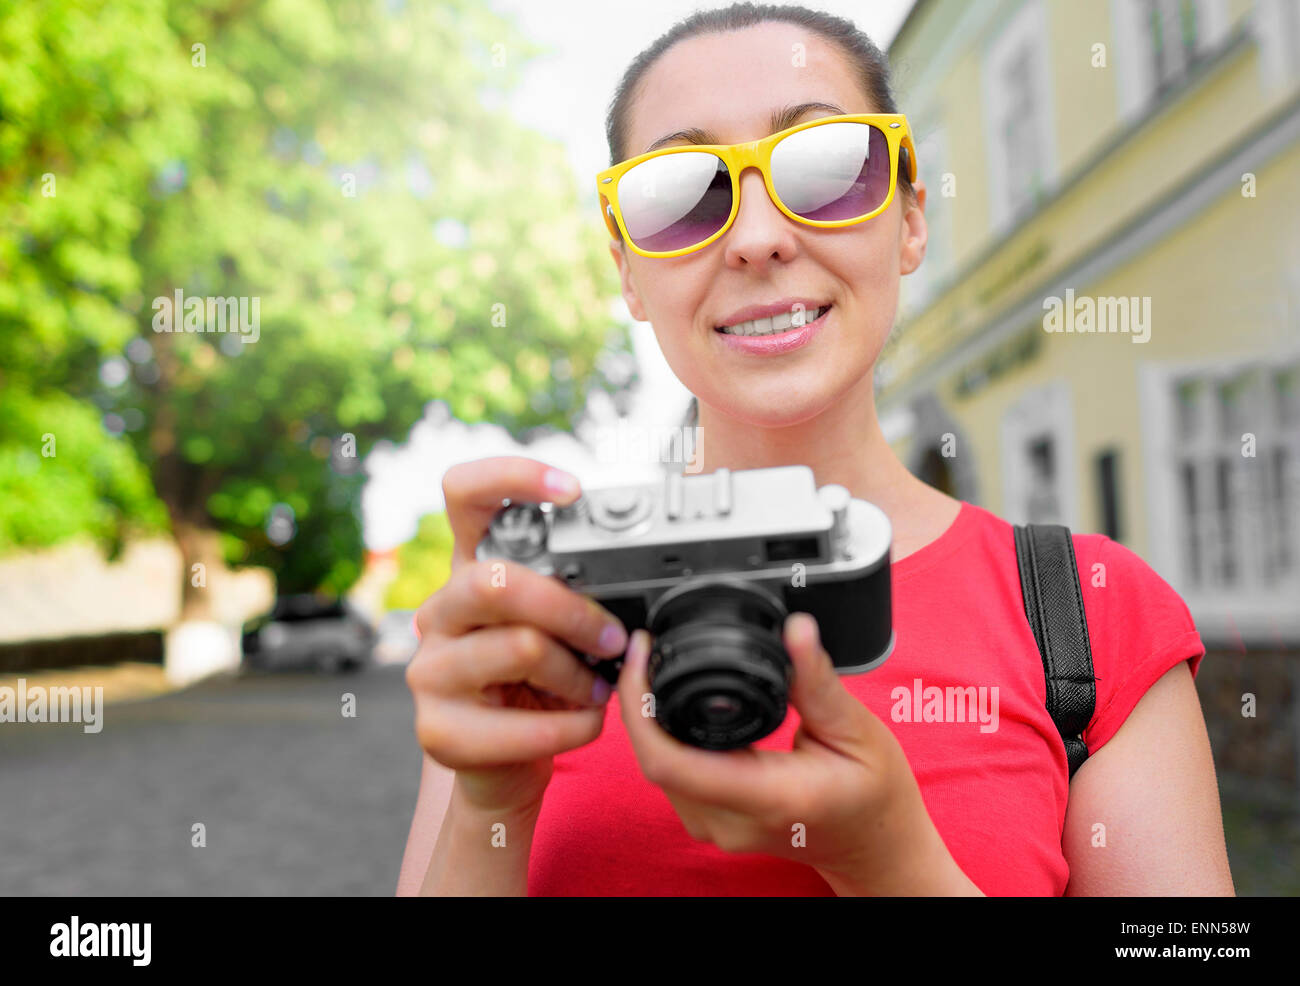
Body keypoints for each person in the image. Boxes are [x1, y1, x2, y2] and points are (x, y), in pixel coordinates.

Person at [396, 2, 1235, 896]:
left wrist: (890, 865)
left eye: (828, 168)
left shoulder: (1091, 617)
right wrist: (492, 811)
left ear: (911, 218)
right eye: (682, 193)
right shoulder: (543, 619)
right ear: (629, 271)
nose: (757, 239)